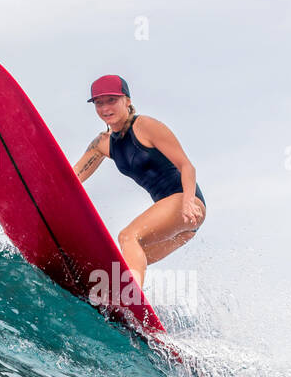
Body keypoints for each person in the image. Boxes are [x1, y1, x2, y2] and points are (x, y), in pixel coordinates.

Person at [73, 74, 206, 291]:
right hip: (182, 228)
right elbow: (72, 178)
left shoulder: (145, 126)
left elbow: (187, 166)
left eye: (112, 100)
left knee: (127, 236)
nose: (105, 108)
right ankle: (123, 303)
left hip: (188, 204)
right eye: (99, 103)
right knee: (125, 261)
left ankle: (132, 298)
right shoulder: (103, 143)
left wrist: (188, 202)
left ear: (127, 100)